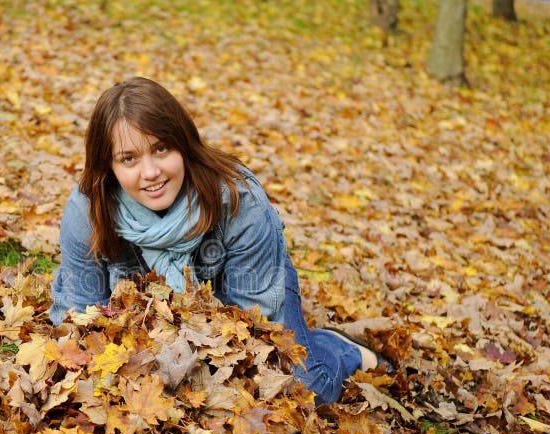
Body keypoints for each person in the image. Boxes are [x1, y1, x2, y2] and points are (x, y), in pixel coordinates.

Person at [50, 77, 386, 404]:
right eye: (129, 158)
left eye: (161, 148)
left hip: (248, 292)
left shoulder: (239, 201)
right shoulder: (88, 210)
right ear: (108, 166)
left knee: (305, 392)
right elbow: (80, 320)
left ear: (183, 144)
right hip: (155, 323)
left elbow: (255, 333)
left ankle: (337, 347)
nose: (150, 172)